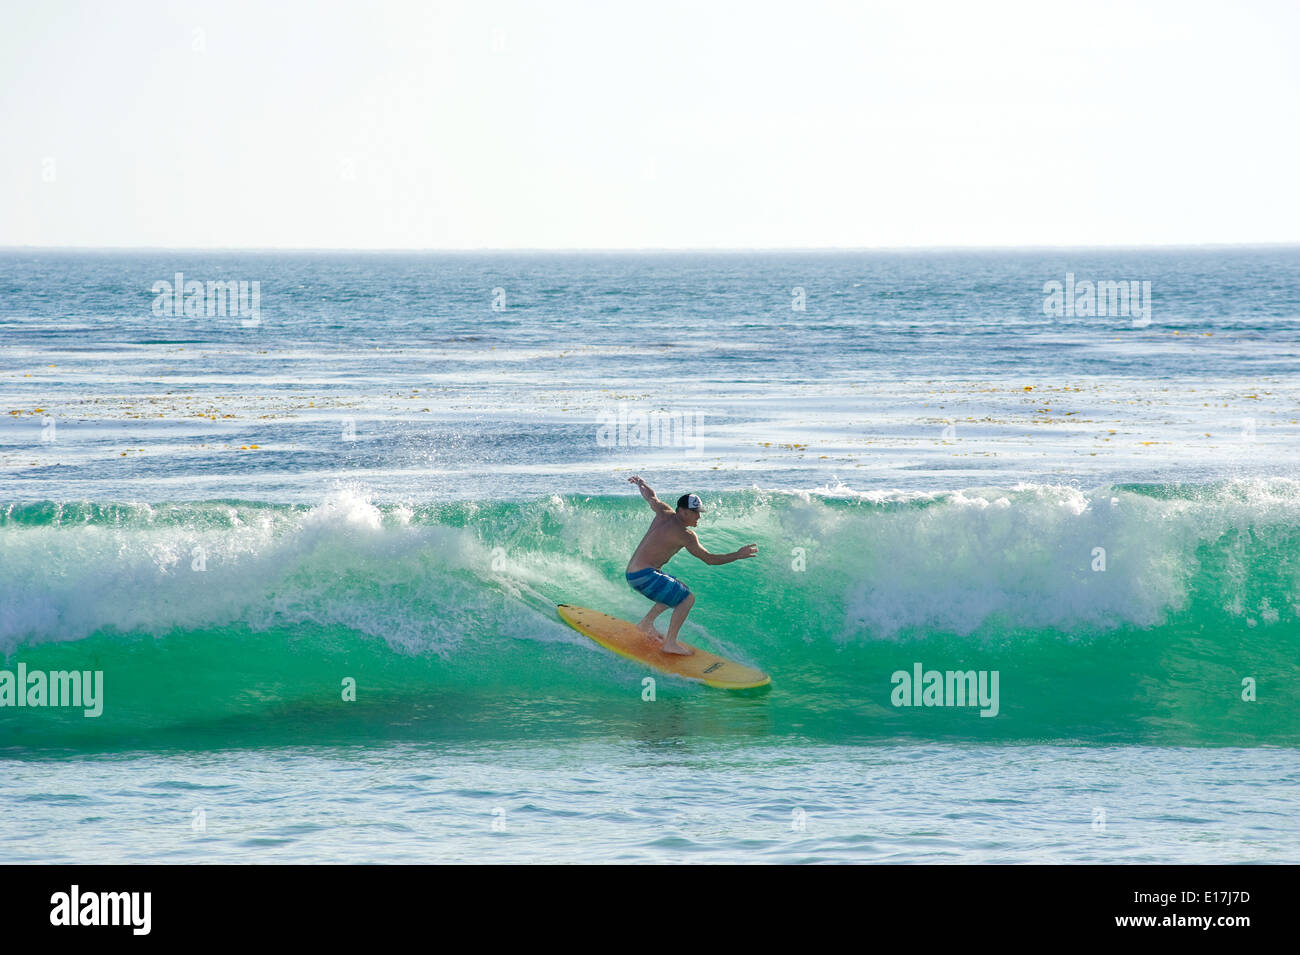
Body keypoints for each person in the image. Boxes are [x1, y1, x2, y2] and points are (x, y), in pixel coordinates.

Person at [624, 475, 758, 655]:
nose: (699, 516)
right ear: (682, 511)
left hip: (633, 573)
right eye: (695, 512)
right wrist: (737, 555)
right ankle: (670, 643)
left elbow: (651, 497)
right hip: (644, 575)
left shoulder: (663, 512)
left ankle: (646, 624)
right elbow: (709, 559)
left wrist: (641, 483)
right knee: (687, 599)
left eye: (699, 512)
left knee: (678, 589)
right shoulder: (685, 535)